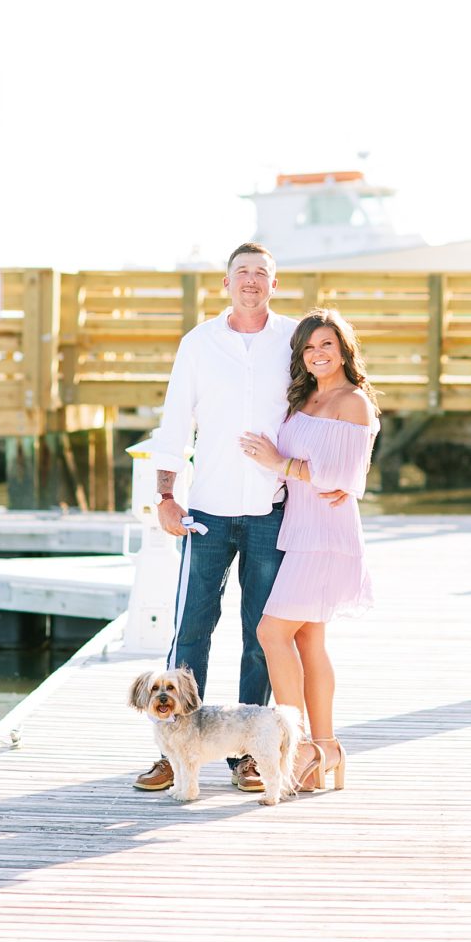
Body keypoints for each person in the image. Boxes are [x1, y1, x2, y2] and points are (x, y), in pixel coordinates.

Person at [136, 242, 309, 795]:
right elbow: (172, 424)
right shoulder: (199, 343)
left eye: (262, 273)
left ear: (273, 285)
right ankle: (170, 749)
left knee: (261, 636)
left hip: (271, 509)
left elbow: (325, 404)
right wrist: (166, 495)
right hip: (206, 510)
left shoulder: (294, 340)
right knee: (191, 628)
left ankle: (247, 757)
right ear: (227, 282)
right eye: (242, 272)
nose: (252, 281)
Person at [239, 308, 378, 793]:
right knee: (307, 641)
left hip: (326, 536)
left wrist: (283, 462)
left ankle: (298, 750)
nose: (318, 354)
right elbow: (313, 470)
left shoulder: (353, 401)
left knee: (270, 633)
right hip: (299, 528)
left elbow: (343, 478)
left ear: (344, 349)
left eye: (327, 345)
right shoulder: (306, 399)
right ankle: (327, 748)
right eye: (309, 348)